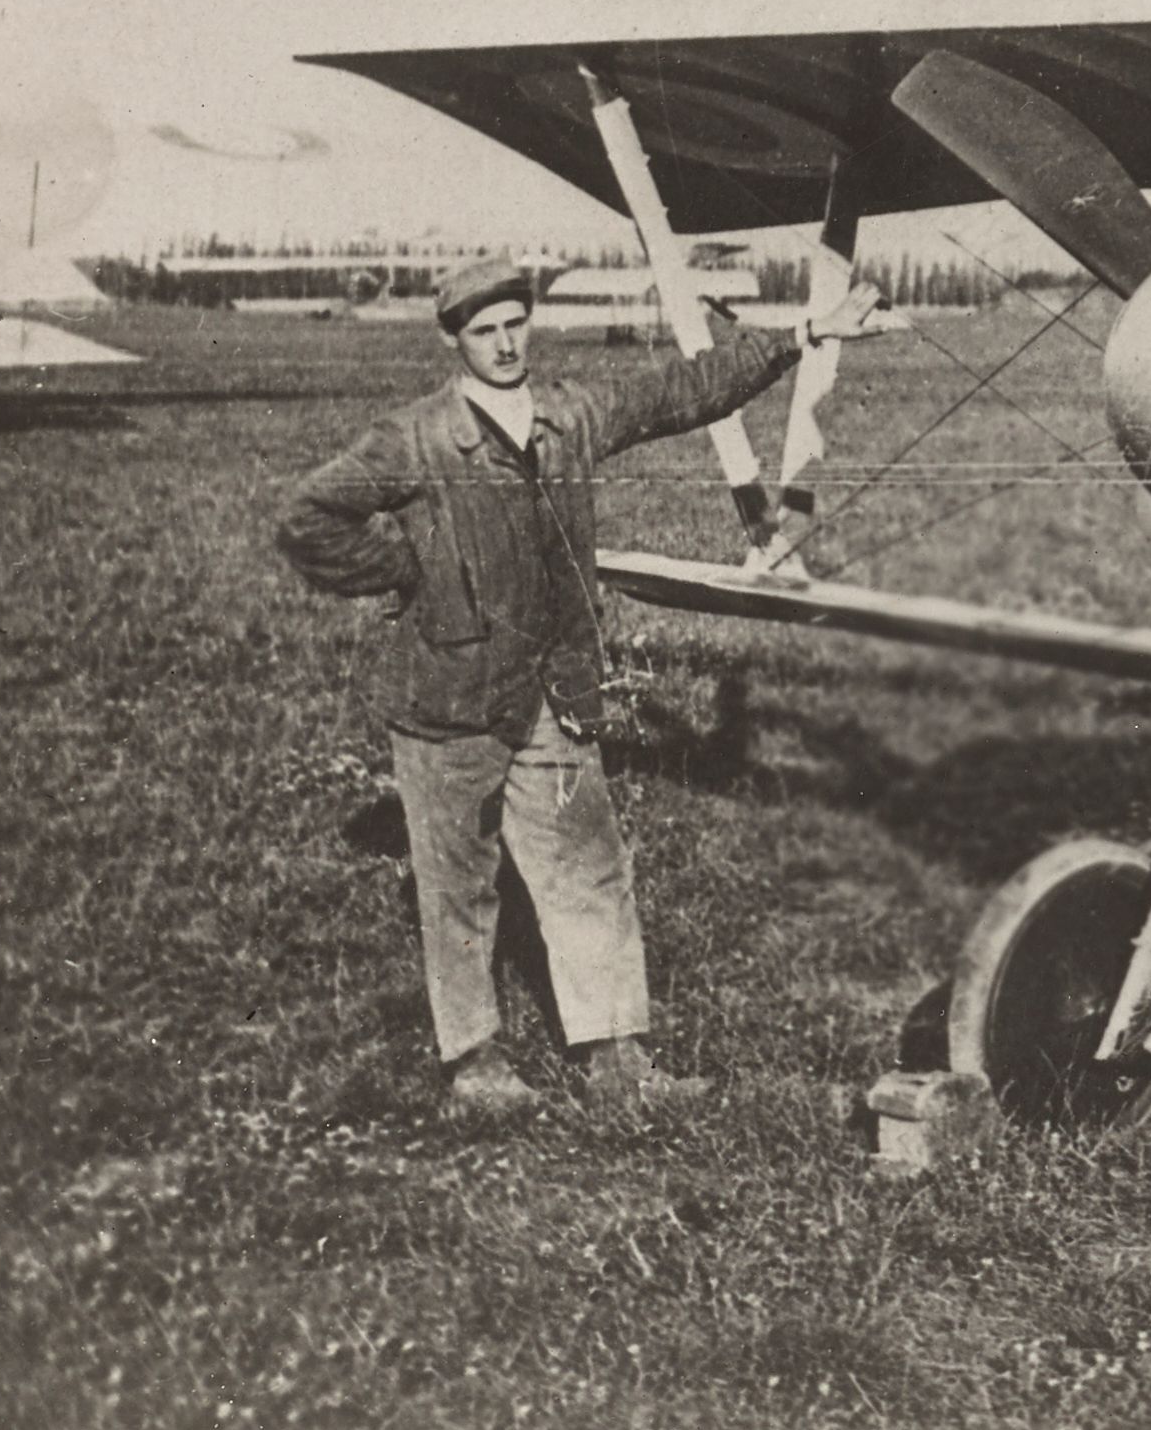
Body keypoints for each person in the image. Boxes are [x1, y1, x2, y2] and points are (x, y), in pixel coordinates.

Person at [273, 251, 851, 1121]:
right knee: (458, 884)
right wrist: (408, 570)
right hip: (448, 700)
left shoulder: (568, 416)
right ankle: (476, 1067)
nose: (504, 345)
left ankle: (619, 1063)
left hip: (554, 692)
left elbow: (677, 394)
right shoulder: (417, 438)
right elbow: (307, 516)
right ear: (454, 342)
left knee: (589, 867)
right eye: (483, 332)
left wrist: (801, 336)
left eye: (514, 325)